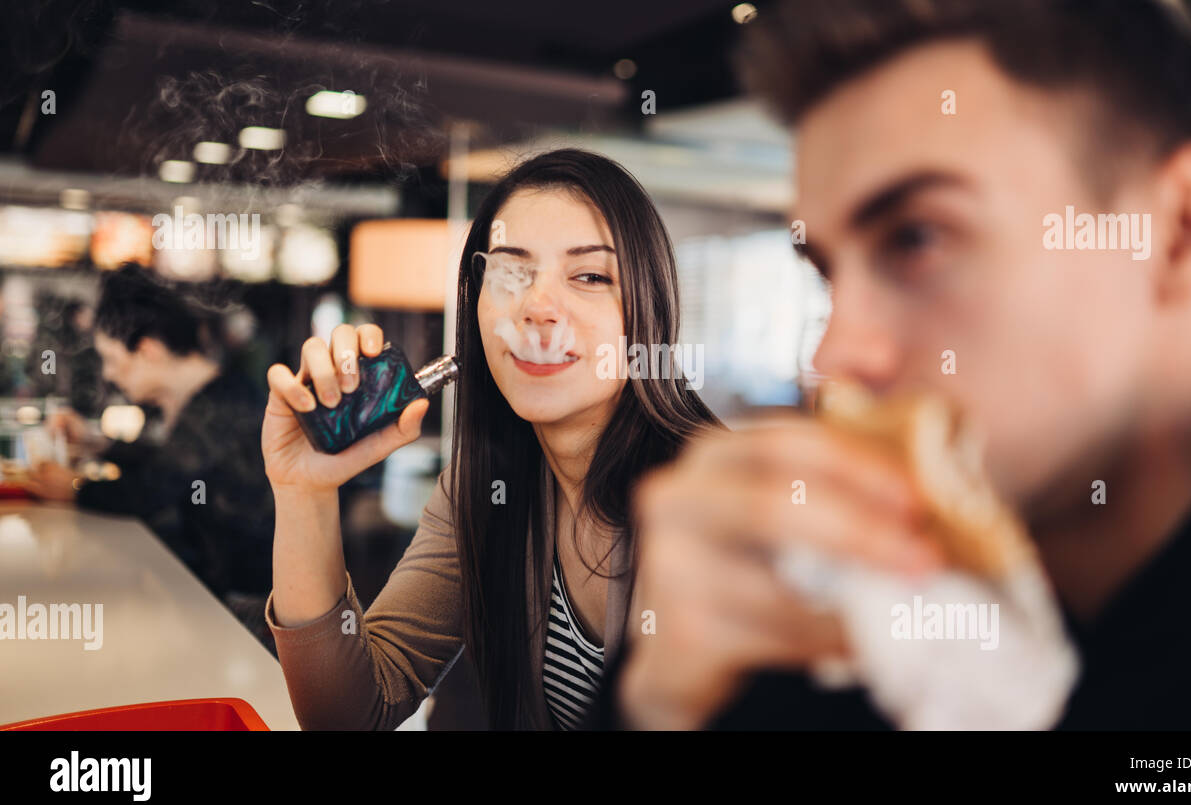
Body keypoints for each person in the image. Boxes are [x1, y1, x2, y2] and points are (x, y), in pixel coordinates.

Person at [590, 0, 1191, 730]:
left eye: (917, 238)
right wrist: (656, 705)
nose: (834, 356)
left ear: (1185, 231)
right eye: (828, 273)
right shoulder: (830, 610)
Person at [262, 149, 719, 730]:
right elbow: (352, 715)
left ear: (649, 313)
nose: (535, 307)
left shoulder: (718, 504)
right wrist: (302, 493)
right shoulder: (486, 485)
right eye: (508, 272)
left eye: (589, 276)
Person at [24, 264, 276, 633]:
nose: (108, 374)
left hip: (251, 612)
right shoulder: (213, 395)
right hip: (215, 593)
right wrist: (101, 445)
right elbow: (170, 464)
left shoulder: (220, 409)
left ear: (149, 351)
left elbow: (149, 492)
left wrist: (74, 489)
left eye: (111, 359)